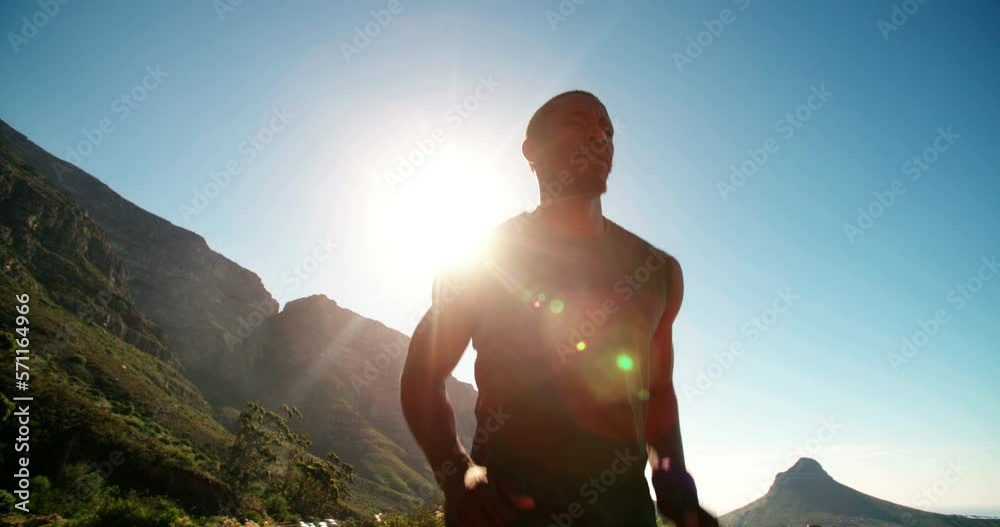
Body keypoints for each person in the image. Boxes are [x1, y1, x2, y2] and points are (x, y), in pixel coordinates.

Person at [400, 90, 717, 527]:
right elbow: (422, 375)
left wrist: (674, 484)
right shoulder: (479, 260)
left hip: (624, 515)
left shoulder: (658, 272)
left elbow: (658, 389)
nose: (600, 137)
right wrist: (457, 474)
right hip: (505, 512)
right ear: (531, 151)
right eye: (578, 123)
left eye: (607, 130)